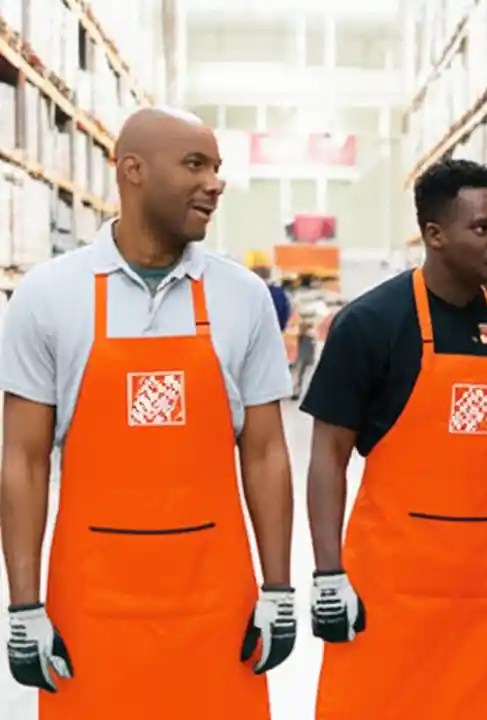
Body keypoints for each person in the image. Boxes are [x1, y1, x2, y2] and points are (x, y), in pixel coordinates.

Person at [0, 107, 297, 718]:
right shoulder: (50, 296)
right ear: (132, 170)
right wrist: (24, 607)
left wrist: (279, 590)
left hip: (216, 605)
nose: (215, 183)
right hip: (93, 606)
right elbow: (24, 461)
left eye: (217, 167)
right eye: (195, 165)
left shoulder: (242, 297)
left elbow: (266, 450)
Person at [302, 158, 487, 719]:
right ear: (435, 234)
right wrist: (328, 574)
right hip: (391, 586)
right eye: (483, 228)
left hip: (484, 588)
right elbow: (328, 454)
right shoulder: (372, 324)